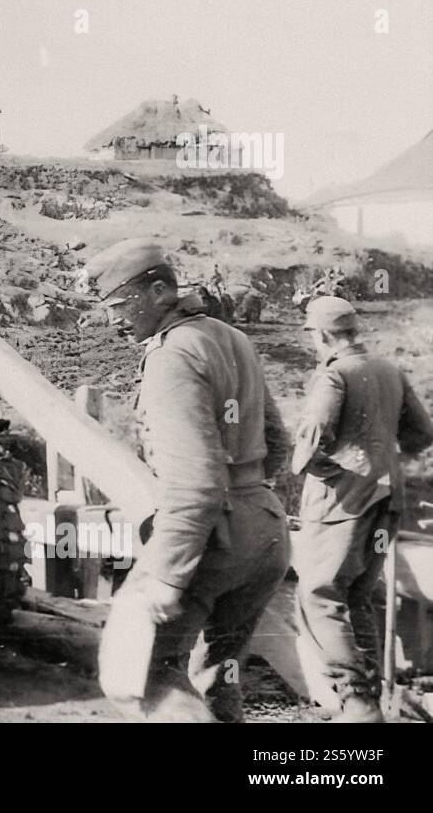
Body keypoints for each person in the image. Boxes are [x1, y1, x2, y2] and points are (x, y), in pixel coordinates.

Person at [87, 239, 290, 721]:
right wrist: (249, 500)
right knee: (219, 673)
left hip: (209, 539)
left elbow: (197, 482)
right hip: (264, 531)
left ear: (159, 290)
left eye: (119, 304)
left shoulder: (171, 356)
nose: (113, 319)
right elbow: (277, 442)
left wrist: (163, 573)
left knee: (145, 673)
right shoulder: (230, 336)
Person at [292, 296, 433, 722]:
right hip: (386, 501)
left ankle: (357, 701)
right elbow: (421, 433)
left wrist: (325, 468)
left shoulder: (335, 375)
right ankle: (373, 699)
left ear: (321, 335)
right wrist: (381, 459)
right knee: (357, 595)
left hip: (343, 502)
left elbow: (311, 444)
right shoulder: (389, 370)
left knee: (318, 594)